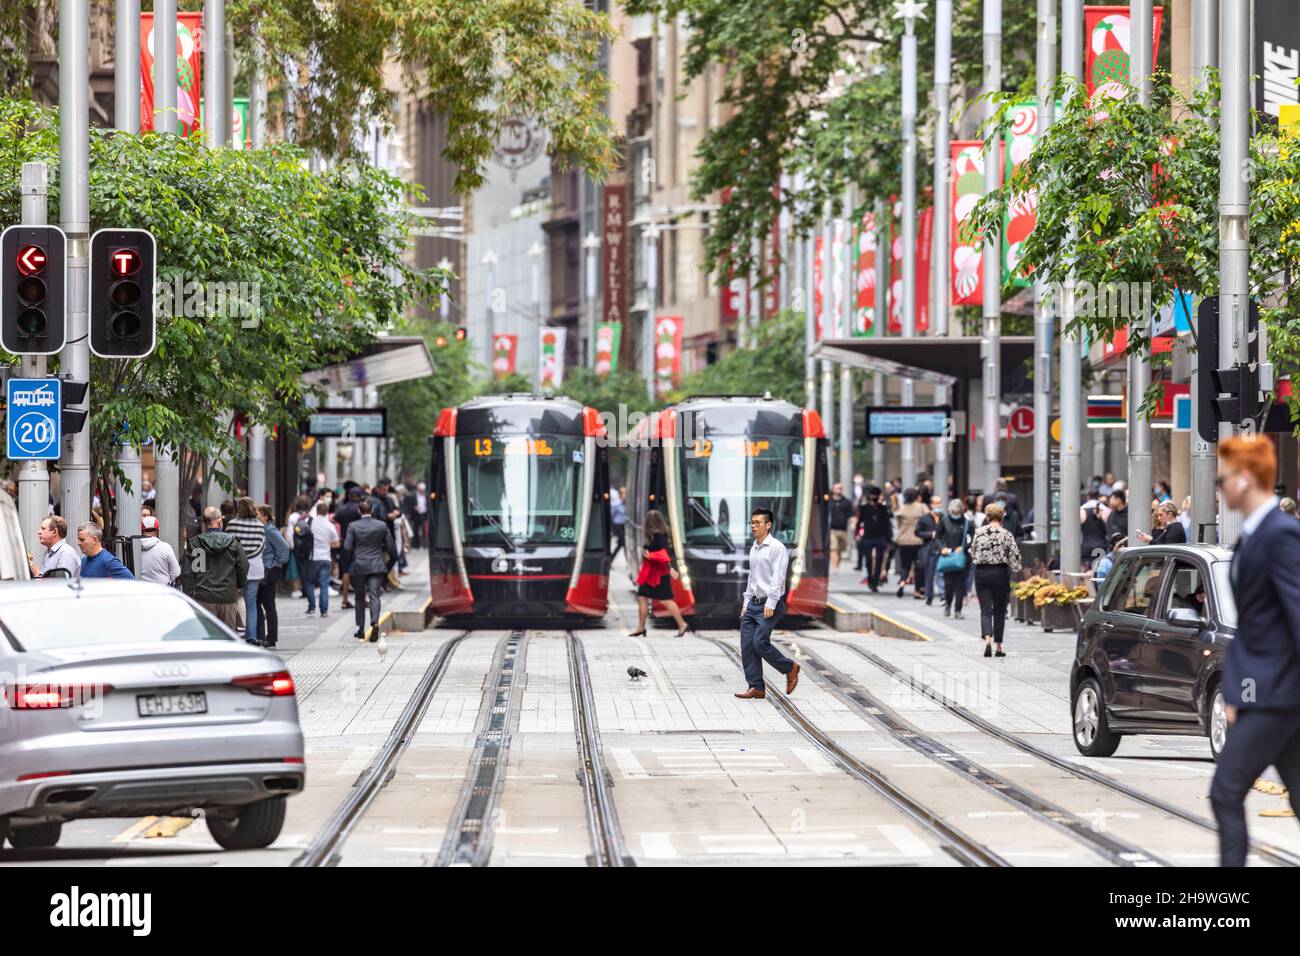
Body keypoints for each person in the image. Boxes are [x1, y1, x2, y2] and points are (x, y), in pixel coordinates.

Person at [1209, 436, 1300, 867]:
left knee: (1225, 791)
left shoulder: (1280, 535)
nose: (1219, 487)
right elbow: (1255, 627)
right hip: (1267, 693)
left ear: (1244, 479)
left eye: (1222, 478)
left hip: (1278, 696)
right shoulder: (1253, 536)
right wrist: (1235, 691)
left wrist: (1249, 693)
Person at [733, 508, 798, 700]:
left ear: (768, 525)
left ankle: (790, 668)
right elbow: (752, 577)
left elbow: (778, 578)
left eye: (757, 523)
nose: (753, 526)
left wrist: (771, 603)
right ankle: (756, 687)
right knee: (747, 646)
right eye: (752, 523)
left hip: (770, 605)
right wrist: (746, 601)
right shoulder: (754, 547)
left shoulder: (777, 548)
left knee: (759, 643)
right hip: (753, 604)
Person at [181, 506, 248, 628]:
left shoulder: (195, 544)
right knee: (228, 638)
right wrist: (239, 585)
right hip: (227, 597)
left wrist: (190, 595)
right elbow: (243, 567)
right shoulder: (233, 543)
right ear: (219, 520)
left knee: (206, 637)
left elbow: (187, 573)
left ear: (205, 522)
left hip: (203, 597)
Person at [971, 502, 1022, 659]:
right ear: (1002, 517)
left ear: (987, 517)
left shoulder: (978, 532)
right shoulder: (1006, 534)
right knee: (1000, 610)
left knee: (985, 610)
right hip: (1000, 572)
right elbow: (1015, 558)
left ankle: (987, 640)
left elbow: (972, 552)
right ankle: (999, 646)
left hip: (981, 573)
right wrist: (1015, 569)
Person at [343, 499, 398, 642]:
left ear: (359, 511)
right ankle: (374, 623)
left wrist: (352, 558)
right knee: (375, 595)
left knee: (359, 597)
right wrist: (387, 561)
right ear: (372, 510)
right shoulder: (381, 525)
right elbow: (392, 548)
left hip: (358, 565)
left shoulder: (352, 526)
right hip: (376, 565)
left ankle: (360, 629)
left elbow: (347, 547)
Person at [629, 509, 689, 637]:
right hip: (653, 574)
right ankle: (641, 627)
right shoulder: (658, 535)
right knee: (643, 597)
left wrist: (649, 555)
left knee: (665, 600)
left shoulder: (658, 537)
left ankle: (682, 624)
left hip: (658, 574)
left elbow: (664, 555)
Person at [227, 497, 266, 645]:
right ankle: (251, 636)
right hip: (255, 568)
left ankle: (231, 632)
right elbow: (262, 546)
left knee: (231, 601)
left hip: (236, 567)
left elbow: (228, 544)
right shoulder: (259, 526)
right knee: (251, 603)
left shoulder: (233, 524)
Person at [257, 505, 291, 647]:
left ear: (265, 516)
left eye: (258, 514)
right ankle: (260, 635)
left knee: (268, 604)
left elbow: (284, 549)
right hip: (263, 570)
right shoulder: (263, 530)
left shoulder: (270, 531)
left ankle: (271, 637)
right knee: (259, 603)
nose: (256, 517)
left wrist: (274, 563)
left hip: (269, 571)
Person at [936, 500, 973, 619]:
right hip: (948, 556)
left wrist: (963, 547)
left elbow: (973, 539)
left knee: (960, 585)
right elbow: (937, 537)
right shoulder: (944, 520)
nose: (955, 514)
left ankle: (958, 609)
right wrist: (942, 548)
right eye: (953, 512)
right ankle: (948, 604)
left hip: (962, 557)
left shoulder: (968, 523)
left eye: (957, 512)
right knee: (948, 584)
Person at [305, 500, 340, 616]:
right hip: (326, 557)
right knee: (324, 584)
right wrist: (327, 542)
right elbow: (337, 544)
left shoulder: (312, 523)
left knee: (309, 581)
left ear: (317, 511)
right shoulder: (330, 526)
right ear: (327, 512)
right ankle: (324, 610)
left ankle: (311, 607)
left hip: (313, 557)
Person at [855, 486, 892, 592]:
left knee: (879, 560)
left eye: (877, 495)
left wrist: (888, 540)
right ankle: (870, 578)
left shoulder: (882, 508)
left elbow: (886, 525)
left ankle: (875, 582)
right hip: (868, 536)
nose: (875, 497)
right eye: (873, 495)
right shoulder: (864, 508)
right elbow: (859, 522)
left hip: (880, 537)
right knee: (868, 560)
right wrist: (857, 534)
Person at [333, 487, 364, 609]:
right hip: (359, 543)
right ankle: (362, 599)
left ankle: (345, 600)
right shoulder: (361, 508)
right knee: (361, 571)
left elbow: (334, 519)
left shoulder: (342, 508)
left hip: (345, 542)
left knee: (346, 571)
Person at [893, 488, 927, 598]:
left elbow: (898, 525)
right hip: (918, 540)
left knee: (905, 566)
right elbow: (928, 519)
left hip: (903, 540)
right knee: (919, 566)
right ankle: (918, 590)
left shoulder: (902, 509)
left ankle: (903, 582)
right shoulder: (922, 507)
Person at [138, 516, 181, 585]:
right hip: (163, 591)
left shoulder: (136, 548)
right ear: (158, 530)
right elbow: (176, 572)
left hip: (141, 591)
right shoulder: (165, 547)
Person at [828, 482, 854, 571]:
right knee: (833, 548)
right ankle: (836, 567)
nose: (839, 490)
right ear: (833, 489)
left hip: (843, 529)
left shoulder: (847, 502)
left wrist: (853, 523)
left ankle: (837, 564)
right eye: (837, 488)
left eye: (841, 488)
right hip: (832, 530)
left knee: (840, 550)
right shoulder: (829, 501)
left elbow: (851, 515)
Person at [1080, 492, 1109, 566]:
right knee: (1099, 571)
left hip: (1086, 546)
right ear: (1098, 497)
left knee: (1086, 571)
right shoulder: (1105, 511)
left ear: (1088, 497)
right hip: (1102, 546)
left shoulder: (1082, 511)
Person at [610, 485, 627, 561]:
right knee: (623, 542)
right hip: (617, 525)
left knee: (621, 544)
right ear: (620, 494)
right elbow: (611, 515)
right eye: (623, 493)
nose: (625, 495)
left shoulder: (625, 504)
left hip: (623, 525)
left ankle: (611, 559)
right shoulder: (616, 504)